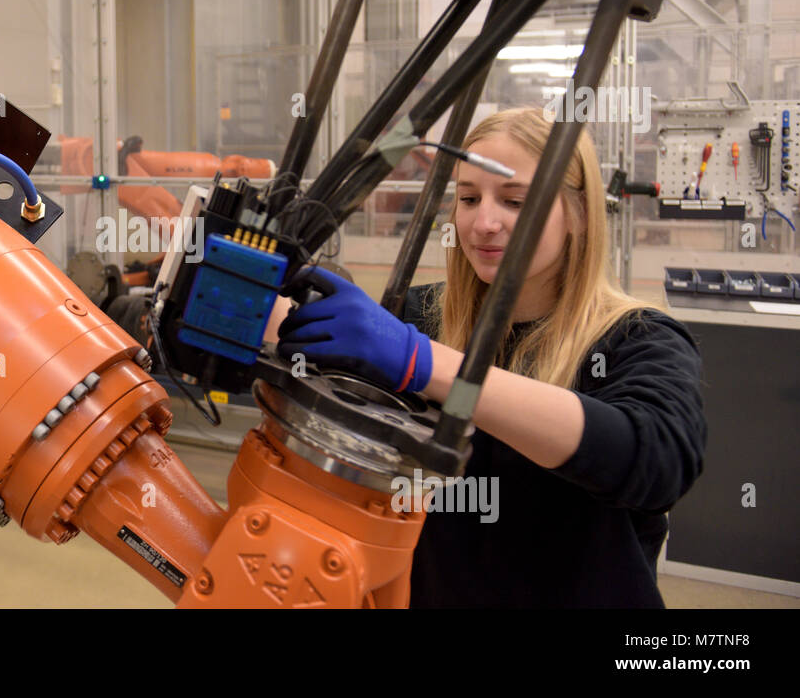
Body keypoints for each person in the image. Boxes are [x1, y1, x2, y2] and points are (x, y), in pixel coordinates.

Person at [276, 107, 707, 607]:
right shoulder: (421, 317)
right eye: (468, 198)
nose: (484, 223)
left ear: (580, 212)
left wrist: (423, 364)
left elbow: (655, 460)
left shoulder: (637, 338)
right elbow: (302, 354)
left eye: (515, 200)